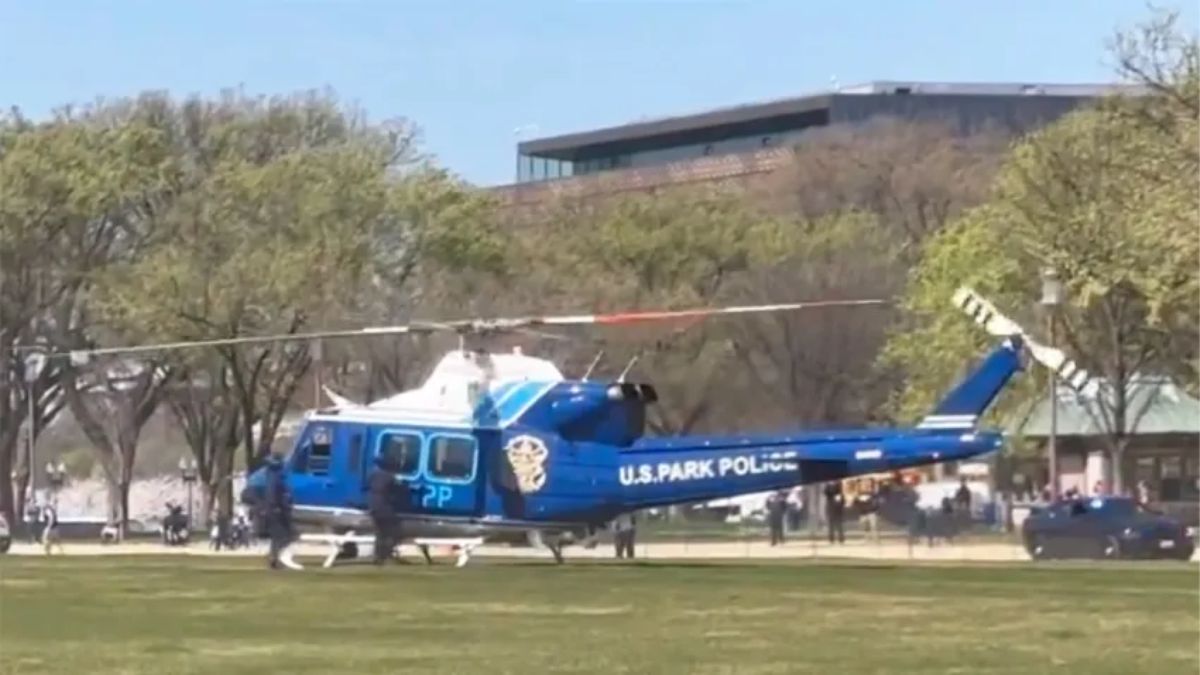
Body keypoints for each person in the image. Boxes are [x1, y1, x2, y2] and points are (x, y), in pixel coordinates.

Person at [263, 454, 302, 570]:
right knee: (283, 536)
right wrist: (277, 506)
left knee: (277, 536)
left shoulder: (272, 476)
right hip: (276, 509)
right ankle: (276, 558)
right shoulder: (275, 477)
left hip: (275, 508)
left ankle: (273, 559)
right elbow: (273, 494)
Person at [367, 454, 401, 565]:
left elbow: (366, 486)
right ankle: (386, 555)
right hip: (385, 508)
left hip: (373, 507)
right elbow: (397, 490)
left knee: (379, 533)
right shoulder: (390, 477)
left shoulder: (373, 475)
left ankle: (377, 557)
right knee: (391, 532)